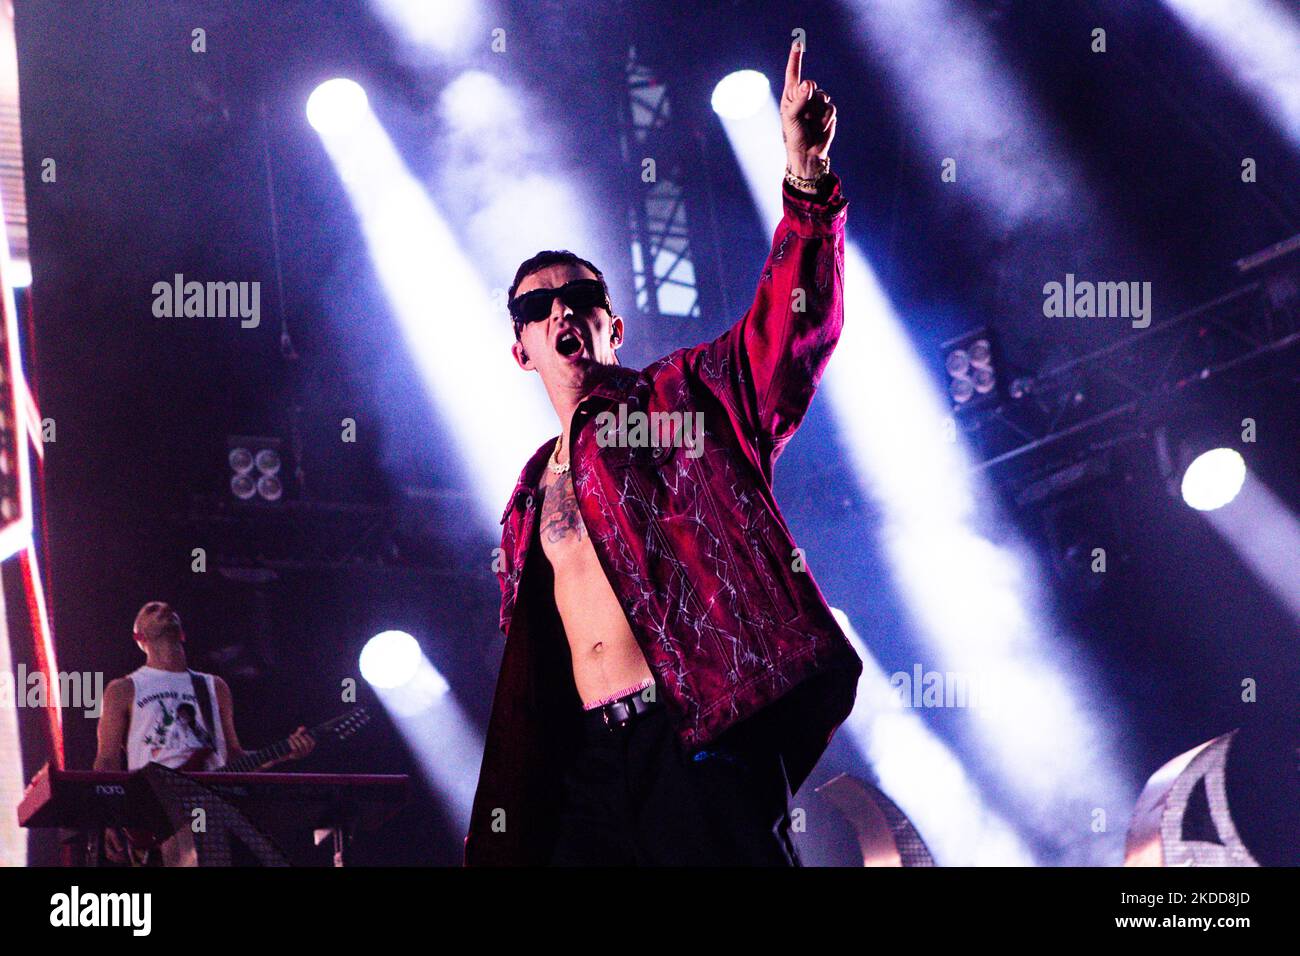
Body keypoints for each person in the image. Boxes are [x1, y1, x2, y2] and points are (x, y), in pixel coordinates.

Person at [465, 40, 862, 866]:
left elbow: (786, 339)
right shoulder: (528, 494)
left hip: (694, 732)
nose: (560, 310)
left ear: (614, 327)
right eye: (537, 306)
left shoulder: (680, 401)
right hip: (585, 771)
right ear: (521, 348)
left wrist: (807, 181)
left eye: (581, 297)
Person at [93, 600, 315, 861]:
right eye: (152, 609)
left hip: (212, 804)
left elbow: (232, 758)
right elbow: (107, 759)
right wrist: (110, 816)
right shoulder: (123, 689)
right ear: (139, 637)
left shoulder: (214, 686)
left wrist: (286, 752)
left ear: (183, 634)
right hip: (157, 801)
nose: (165, 609)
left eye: (169, 609)